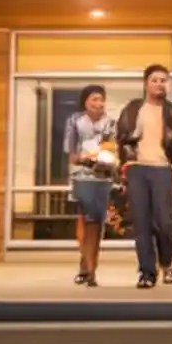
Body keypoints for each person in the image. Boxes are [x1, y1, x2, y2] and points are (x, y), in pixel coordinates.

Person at [115, 64, 172, 289]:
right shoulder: (133, 108)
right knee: (141, 222)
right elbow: (121, 137)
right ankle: (147, 271)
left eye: (163, 80)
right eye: (155, 80)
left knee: (164, 222)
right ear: (146, 83)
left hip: (162, 168)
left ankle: (166, 262)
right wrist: (125, 163)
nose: (159, 84)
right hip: (137, 167)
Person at [63, 84, 116, 287]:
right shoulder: (74, 121)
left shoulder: (110, 123)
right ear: (85, 102)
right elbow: (72, 153)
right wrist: (86, 160)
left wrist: (106, 160)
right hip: (81, 176)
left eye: (101, 99)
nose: (99, 103)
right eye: (94, 99)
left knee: (97, 222)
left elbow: (111, 148)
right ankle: (87, 266)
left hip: (103, 178)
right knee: (86, 221)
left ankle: (89, 267)